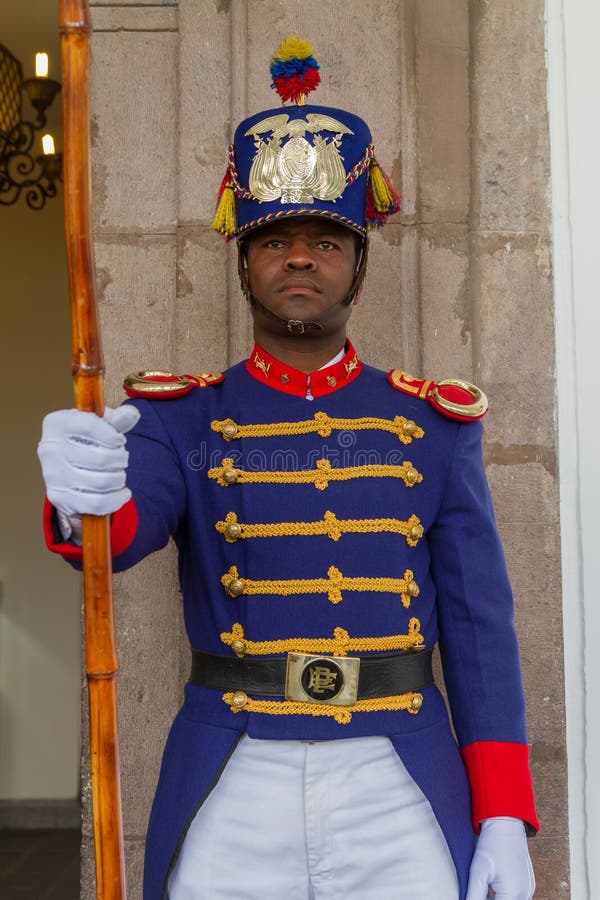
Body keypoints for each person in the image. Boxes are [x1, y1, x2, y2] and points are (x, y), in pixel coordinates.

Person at [38, 36, 538, 900]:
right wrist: (80, 490)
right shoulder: (179, 417)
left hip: (397, 778)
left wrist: (500, 810)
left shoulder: (435, 424)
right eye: (275, 240)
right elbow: (114, 537)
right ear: (245, 263)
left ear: (358, 266)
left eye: (325, 240)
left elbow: (479, 628)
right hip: (237, 776)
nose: (300, 257)